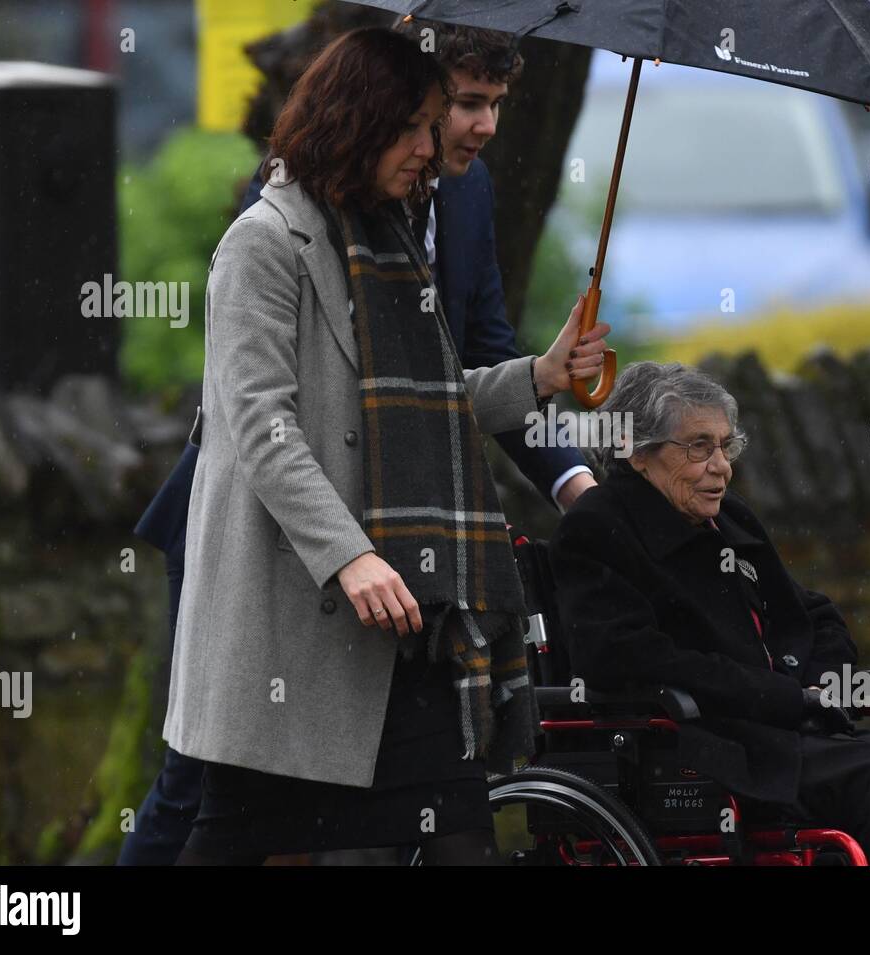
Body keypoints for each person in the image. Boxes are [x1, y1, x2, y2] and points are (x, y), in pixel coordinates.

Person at [119, 23, 594, 865]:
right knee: (219, 832)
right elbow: (261, 425)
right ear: (358, 121)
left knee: (459, 835)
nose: (433, 145)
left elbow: (430, 403)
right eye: (415, 126)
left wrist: (542, 374)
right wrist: (348, 555)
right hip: (290, 598)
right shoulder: (263, 242)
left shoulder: (391, 241)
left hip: (404, 606)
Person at [549, 362, 870, 865]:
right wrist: (777, 696)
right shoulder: (598, 528)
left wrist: (822, 685)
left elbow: (813, 614)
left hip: (785, 733)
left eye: (725, 445)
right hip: (704, 750)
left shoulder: (728, 516)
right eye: (699, 447)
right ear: (636, 452)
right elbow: (625, 657)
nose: (721, 466)